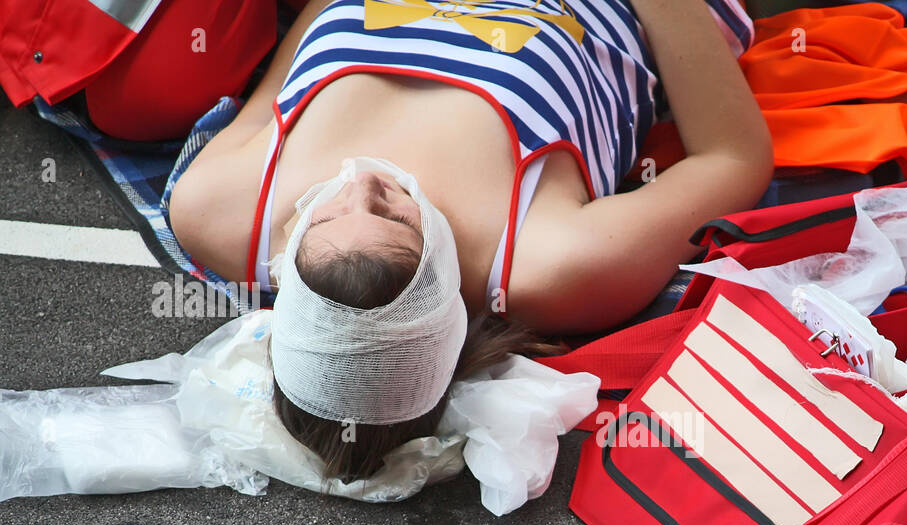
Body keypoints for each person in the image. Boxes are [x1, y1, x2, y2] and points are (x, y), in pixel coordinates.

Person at [169, 0, 773, 483]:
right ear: (443, 289)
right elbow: (733, 155)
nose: (361, 180)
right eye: (398, 218)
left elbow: (296, 48)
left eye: (322, 219)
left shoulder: (219, 208)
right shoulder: (554, 262)